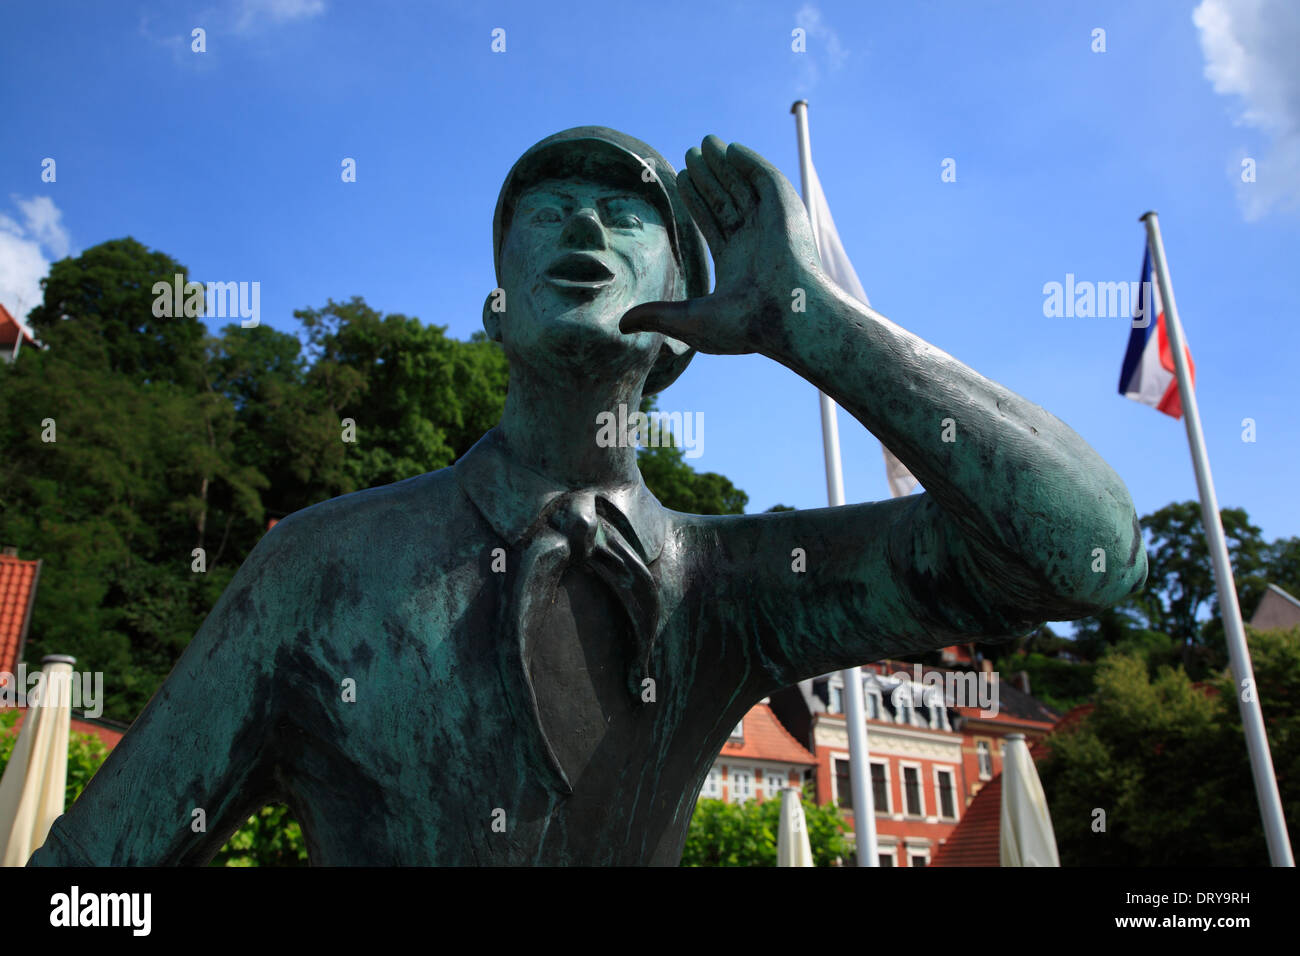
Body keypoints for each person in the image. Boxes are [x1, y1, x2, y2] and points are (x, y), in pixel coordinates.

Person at [29, 127, 1145, 866]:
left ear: (680, 331)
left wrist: (816, 327)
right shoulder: (317, 569)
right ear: (494, 311)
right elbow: (90, 879)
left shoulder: (731, 585)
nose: (584, 224)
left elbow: (1086, 555)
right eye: (551, 207)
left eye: (626, 216)